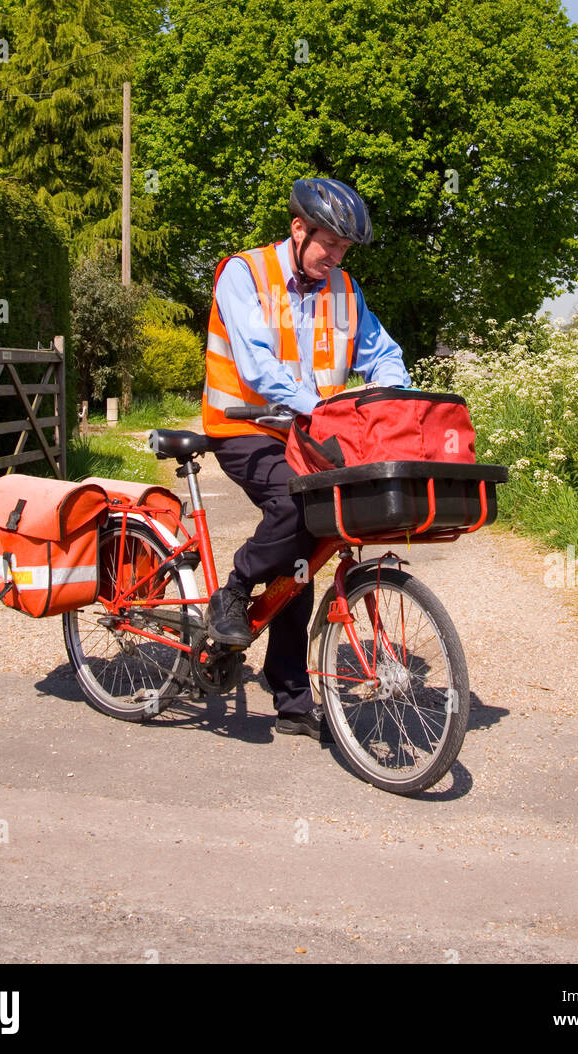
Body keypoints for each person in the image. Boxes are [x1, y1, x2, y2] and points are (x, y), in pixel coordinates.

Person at [201, 178, 411, 741]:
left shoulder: (344, 288)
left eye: (345, 249)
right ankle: (234, 591)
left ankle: (289, 688)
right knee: (298, 505)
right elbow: (256, 365)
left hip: (309, 430)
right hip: (245, 427)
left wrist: (392, 401)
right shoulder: (243, 275)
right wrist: (320, 408)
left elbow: (382, 353)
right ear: (299, 229)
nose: (337, 259)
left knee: (314, 544)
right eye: (330, 245)